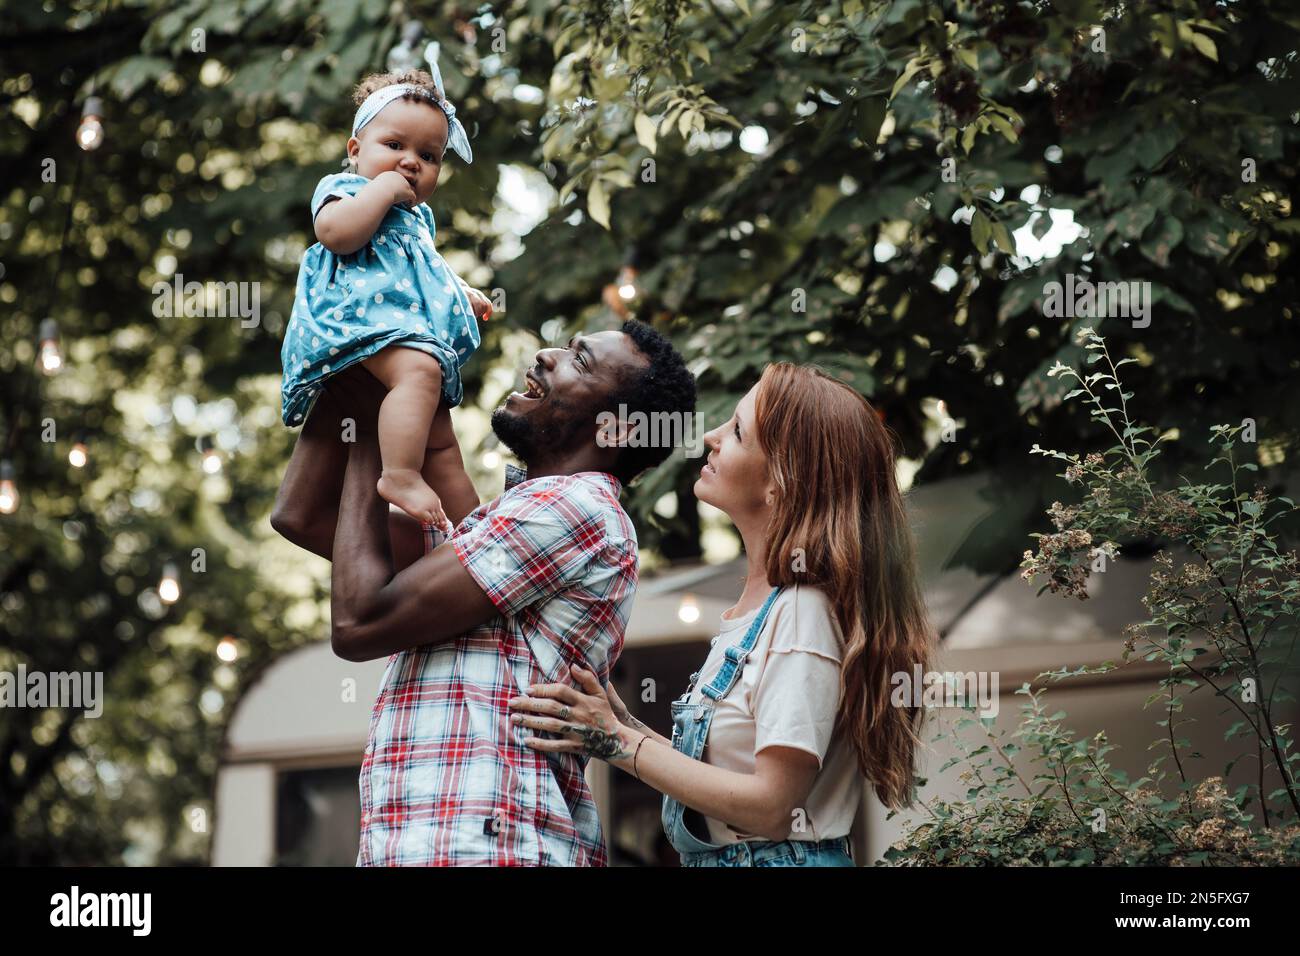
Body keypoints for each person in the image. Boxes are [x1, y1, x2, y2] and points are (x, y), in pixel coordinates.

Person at [271, 321, 696, 866]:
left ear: (615, 431)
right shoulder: (506, 522)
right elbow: (303, 516)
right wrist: (360, 368)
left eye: (579, 361)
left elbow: (360, 623)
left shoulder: (575, 509)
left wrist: (376, 434)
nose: (546, 355)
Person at [508, 363, 936, 866]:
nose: (710, 437)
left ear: (779, 481)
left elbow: (772, 806)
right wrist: (626, 726)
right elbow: (731, 776)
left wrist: (619, 740)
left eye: (736, 432)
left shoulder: (801, 614)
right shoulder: (763, 612)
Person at [278, 58, 492, 532]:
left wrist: (462, 292)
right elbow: (336, 235)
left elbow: (425, 273)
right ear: (356, 149)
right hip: (352, 322)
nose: (410, 162)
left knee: (441, 440)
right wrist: (381, 192)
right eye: (394, 146)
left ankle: (478, 532)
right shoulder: (346, 190)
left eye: (429, 156)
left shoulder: (418, 222)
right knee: (421, 371)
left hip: (400, 331)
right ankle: (399, 476)